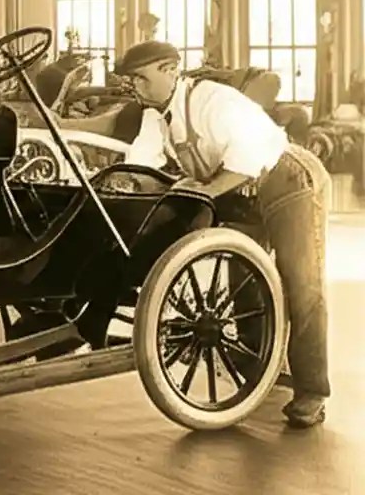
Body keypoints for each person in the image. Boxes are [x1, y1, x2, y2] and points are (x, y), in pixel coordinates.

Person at [115, 40, 331, 428]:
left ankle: (312, 392)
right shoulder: (155, 118)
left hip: (287, 179)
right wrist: (120, 187)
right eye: (132, 81)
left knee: (302, 285)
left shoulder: (213, 100)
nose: (137, 88)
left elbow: (248, 159)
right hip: (242, 193)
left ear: (170, 70)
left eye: (142, 78)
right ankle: (260, 375)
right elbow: (140, 167)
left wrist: (205, 190)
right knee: (246, 286)